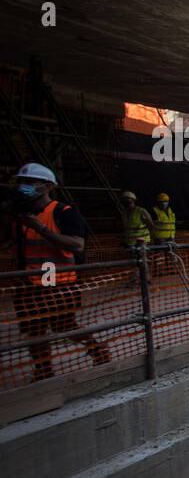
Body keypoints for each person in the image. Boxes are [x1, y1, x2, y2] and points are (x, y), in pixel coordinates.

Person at [2, 162, 111, 381]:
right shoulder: (16, 216)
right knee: (35, 330)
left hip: (57, 282)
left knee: (64, 325)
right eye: (22, 182)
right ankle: (43, 370)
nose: (25, 186)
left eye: (31, 182)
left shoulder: (63, 212)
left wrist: (39, 228)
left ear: (48, 186)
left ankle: (96, 348)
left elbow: (76, 245)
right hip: (28, 284)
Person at [150, 192, 177, 275]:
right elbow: (151, 225)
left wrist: (172, 236)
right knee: (159, 255)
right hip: (159, 237)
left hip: (170, 236)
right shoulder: (154, 211)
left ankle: (172, 269)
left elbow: (172, 223)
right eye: (162, 201)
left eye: (165, 201)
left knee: (171, 253)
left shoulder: (170, 210)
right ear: (158, 202)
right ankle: (159, 272)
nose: (164, 203)